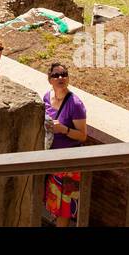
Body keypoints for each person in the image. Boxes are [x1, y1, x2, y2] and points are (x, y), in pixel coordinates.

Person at [44, 62, 88, 226]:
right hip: (53, 160)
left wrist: (63, 129)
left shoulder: (75, 104)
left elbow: (83, 136)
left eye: (64, 74)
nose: (60, 78)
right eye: (56, 75)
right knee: (55, 203)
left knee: (65, 209)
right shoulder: (46, 98)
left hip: (69, 163)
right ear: (50, 80)